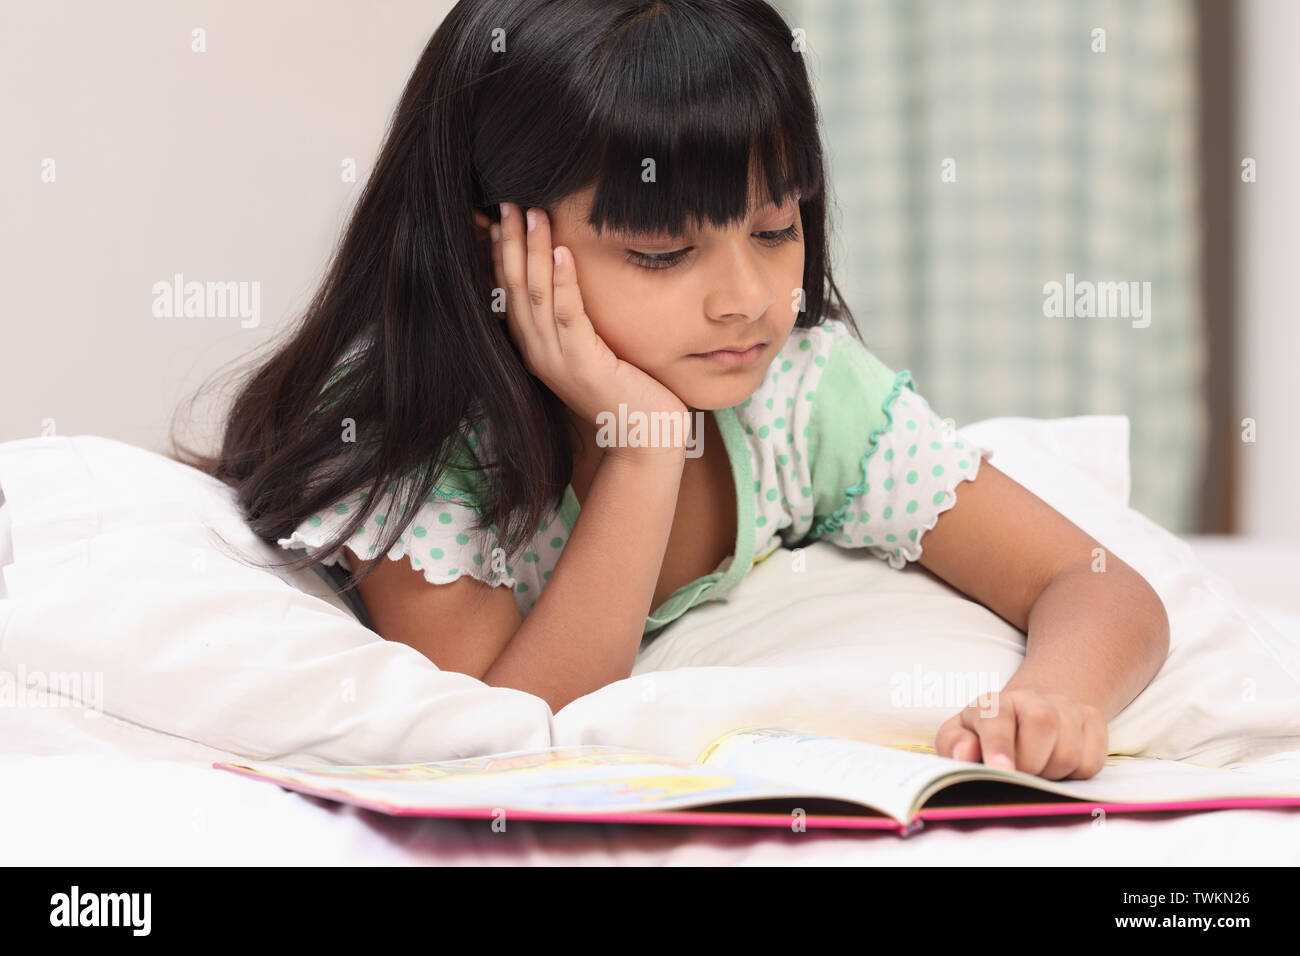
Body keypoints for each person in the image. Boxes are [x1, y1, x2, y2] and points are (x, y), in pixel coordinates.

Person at [172, 0, 1169, 781]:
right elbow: (513, 735)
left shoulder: (797, 394)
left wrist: (1056, 697)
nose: (746, 300)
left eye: (776, 229)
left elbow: (1091, 581)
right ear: (505, 242)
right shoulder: (419, 437)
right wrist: (647, 448)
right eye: (661, 252)